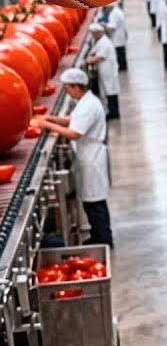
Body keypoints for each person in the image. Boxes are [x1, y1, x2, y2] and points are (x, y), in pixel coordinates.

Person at [35, 68, 112, 247]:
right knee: (92, 201)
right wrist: (54, 119)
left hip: (92, 158)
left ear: (77, 87)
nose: (67, 92)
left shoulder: (89, 105)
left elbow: (74, 133)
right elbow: (73, 119)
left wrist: (47, 124)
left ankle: (103, 239)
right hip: (88, 155)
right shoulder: (86, 101)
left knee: (95, 203)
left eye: (68, 88)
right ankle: (99, 235)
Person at [82, 23, 120, 120]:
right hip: (104, 71)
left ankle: (114, 113)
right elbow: (94, 52)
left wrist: (87, 61)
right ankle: (112, 111)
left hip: (109, 71)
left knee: (111, 91)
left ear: (98, 33)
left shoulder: (105, 43)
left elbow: (99, 57)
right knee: (108, 91)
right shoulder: (99, 41)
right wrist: (89, 57)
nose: (93, 36)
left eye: (94, 34)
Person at [107, 0, 128, 72]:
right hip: (120, 36)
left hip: (117, 37)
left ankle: (122, 68)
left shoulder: (114, 14)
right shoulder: (118, 11)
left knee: (119, 53)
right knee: (121, 52)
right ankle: (123, 67)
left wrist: (104, 27)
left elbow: (112, 27)